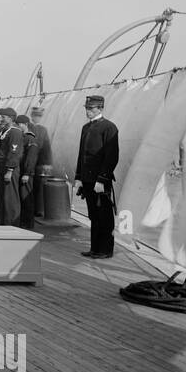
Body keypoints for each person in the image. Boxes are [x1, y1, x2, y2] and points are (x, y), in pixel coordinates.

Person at [75, 94, 120, 258]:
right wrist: (78, 177)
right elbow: (82, 155)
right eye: (87, 108)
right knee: (93, 214)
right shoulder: (86, 128)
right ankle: (95, 248)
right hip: (87, 180)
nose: (88, 111)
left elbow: (111, 156)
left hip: (100, 181)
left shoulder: (109, 128)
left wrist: (102, 179)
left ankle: (105, 250)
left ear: (100, 108)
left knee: (105, 216)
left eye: (91, 108)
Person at [16, 115, 40, 230]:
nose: (18, 126)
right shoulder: (22, 137)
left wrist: (27, 173)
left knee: (27, 198)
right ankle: (23, 221)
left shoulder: (30, 139)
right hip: (21, 171)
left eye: (19, 124)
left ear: (25, 124)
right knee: (21, 197)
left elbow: (31, 157)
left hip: (27, 173)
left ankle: (28, 223)